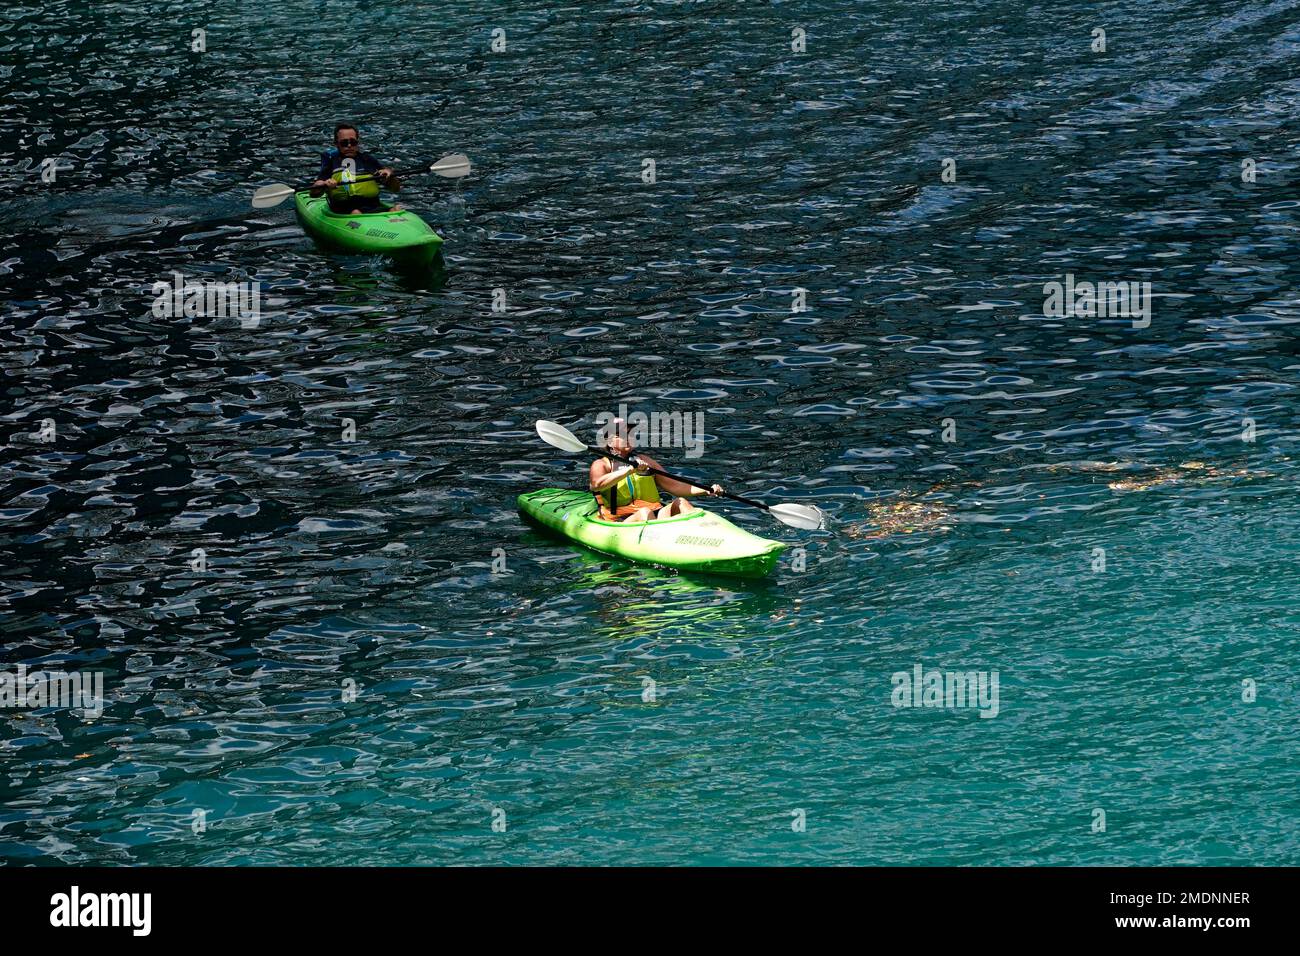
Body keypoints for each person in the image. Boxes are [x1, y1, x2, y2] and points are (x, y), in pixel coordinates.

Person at [589, 419, 724, 522]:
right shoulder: (601, 465)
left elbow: (675, 485)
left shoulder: (644, 460)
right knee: (644, 512)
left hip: (655, 513)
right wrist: (630, 470)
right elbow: (597, 484)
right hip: (621, 519)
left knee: (681, 502)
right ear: (609, 442)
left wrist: (706, 490)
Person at [309, 123, 402, 214]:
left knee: (397, 209)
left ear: (358, 142)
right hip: (343, 209)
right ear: (336, 144)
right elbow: (314, 193)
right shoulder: (331, 161)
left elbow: (395, 189)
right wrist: (325, 184)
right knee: (355, 212)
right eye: (344, 143)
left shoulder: (368, 160)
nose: (349, 146)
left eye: (353, 142)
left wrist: (390, 175)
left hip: (372, 206)